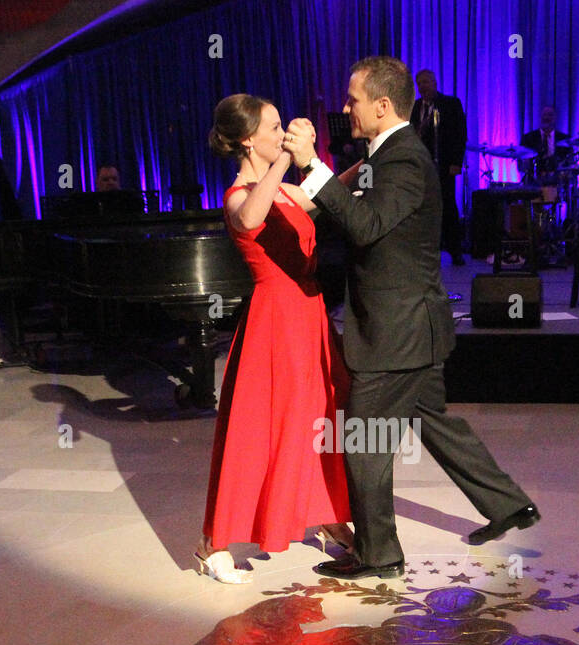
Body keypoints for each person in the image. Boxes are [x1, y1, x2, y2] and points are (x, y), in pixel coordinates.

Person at [285, 56, 539, 581]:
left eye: (353, 99)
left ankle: (380, 555)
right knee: (435, 423)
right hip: (411, 329)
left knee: (363, 443)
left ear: (382, 105)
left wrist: (314, 167)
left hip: (396, 332)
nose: (345, 108)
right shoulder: (386, 153)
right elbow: (354, 217)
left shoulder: (402, 159)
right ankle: (510, 505)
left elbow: (366, 225)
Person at [195, 94, 355, 584]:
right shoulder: (240, 194)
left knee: (324, 419)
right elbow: (251, 217)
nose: (281, 132)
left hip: (310, 315)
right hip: (275, 324)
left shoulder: (285, 188)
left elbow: (324, 195)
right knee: (261, 431)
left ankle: (328, 516)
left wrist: (365, 158)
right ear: (248, 139)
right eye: (274, 127)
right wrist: (288, 156)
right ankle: (215, 541)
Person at [409, 69, 467, 265]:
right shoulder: (415, 108)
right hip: (422, 167)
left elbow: (460, 135)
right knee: (422, 207)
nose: (424, 86)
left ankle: (455, 250)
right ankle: (425, 250)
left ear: (435, 83)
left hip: (444, 165)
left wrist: (456, 163)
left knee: (448, 205)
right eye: (420, 83)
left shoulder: (451, 104)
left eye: (427, 82)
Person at [519, 105, 572, 184]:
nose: (546, 118)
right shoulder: (528, 138)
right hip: (534, 180)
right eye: (544, 115)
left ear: (555, 118)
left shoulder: (564, 139)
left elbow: (569, 163)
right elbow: (521, 164)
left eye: (550, 115)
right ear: (540, 117)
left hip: (558, 181)